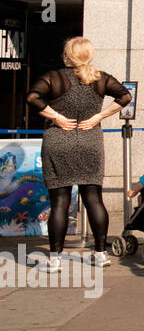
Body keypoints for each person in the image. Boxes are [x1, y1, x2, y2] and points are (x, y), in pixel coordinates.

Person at [25, 37, 131, 270]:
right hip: (89, 141)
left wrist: (56, 117)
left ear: (67, 55)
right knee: (93, 198)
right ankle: (100, 253)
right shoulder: (101, 78)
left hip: (58, 140)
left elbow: (33, 97)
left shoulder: (54, 77)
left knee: (59, 202)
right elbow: (125, 97)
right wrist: (98, 116)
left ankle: (55, 259)